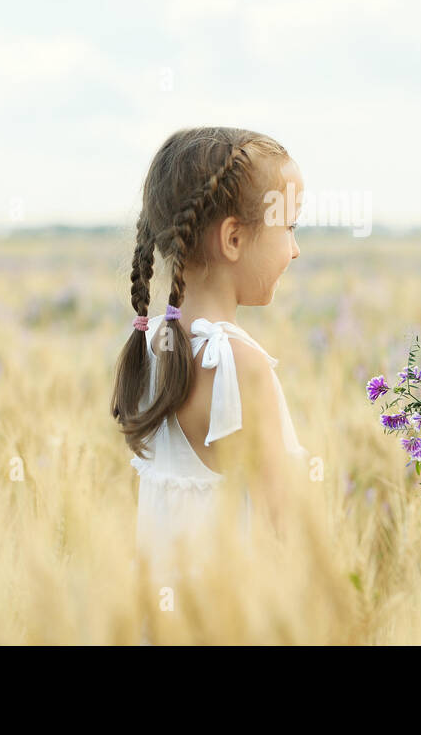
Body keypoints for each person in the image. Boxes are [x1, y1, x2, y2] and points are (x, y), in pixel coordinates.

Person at [110, 126, 310, 592]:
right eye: (290, 226)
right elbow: (288, 525)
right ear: (234, 239)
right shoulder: (239, 363)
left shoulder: (152, 344)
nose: (296, 250)